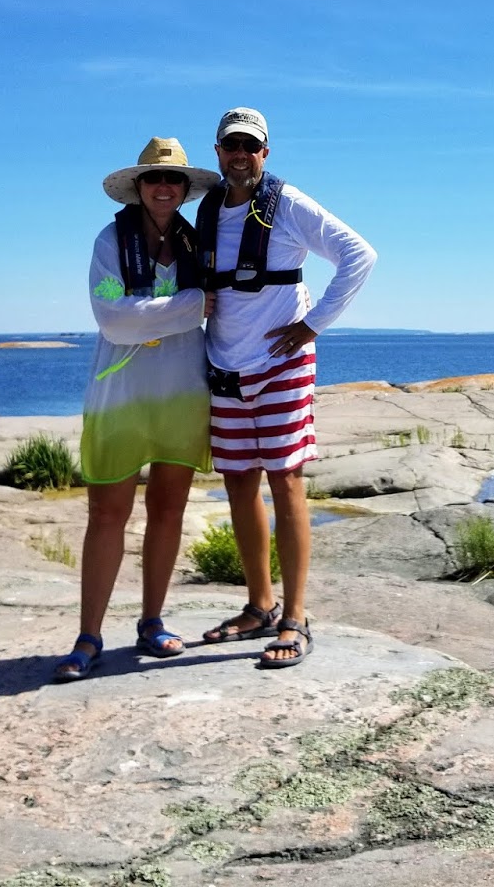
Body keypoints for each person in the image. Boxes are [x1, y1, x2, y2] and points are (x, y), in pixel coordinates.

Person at [195, 107, 376, 669]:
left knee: (286, 481)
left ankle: (295, 616)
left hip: (279, 366)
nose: (240, 155)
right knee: (238, 483)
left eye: (251, 146)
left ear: (265, 153)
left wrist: (312, 324)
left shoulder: (286, 203)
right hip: (223, 366)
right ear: (219, 152)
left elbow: (359, 254)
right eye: (231, 146)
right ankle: (259, 606)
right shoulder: (206, 211)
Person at [52, 136, 222, 682]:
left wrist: (155, 312)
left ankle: (152, 620)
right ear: (138, 187)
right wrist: (194, 304)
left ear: (185, 189)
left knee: (169, 510)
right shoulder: (111, 241)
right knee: (107, 513)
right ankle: (88, 635)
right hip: (120, 395)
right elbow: (113, 319)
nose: (165, 187)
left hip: (182, 390)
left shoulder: (200, 243)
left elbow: (139, 313)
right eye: (154, 179)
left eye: (173, 180)